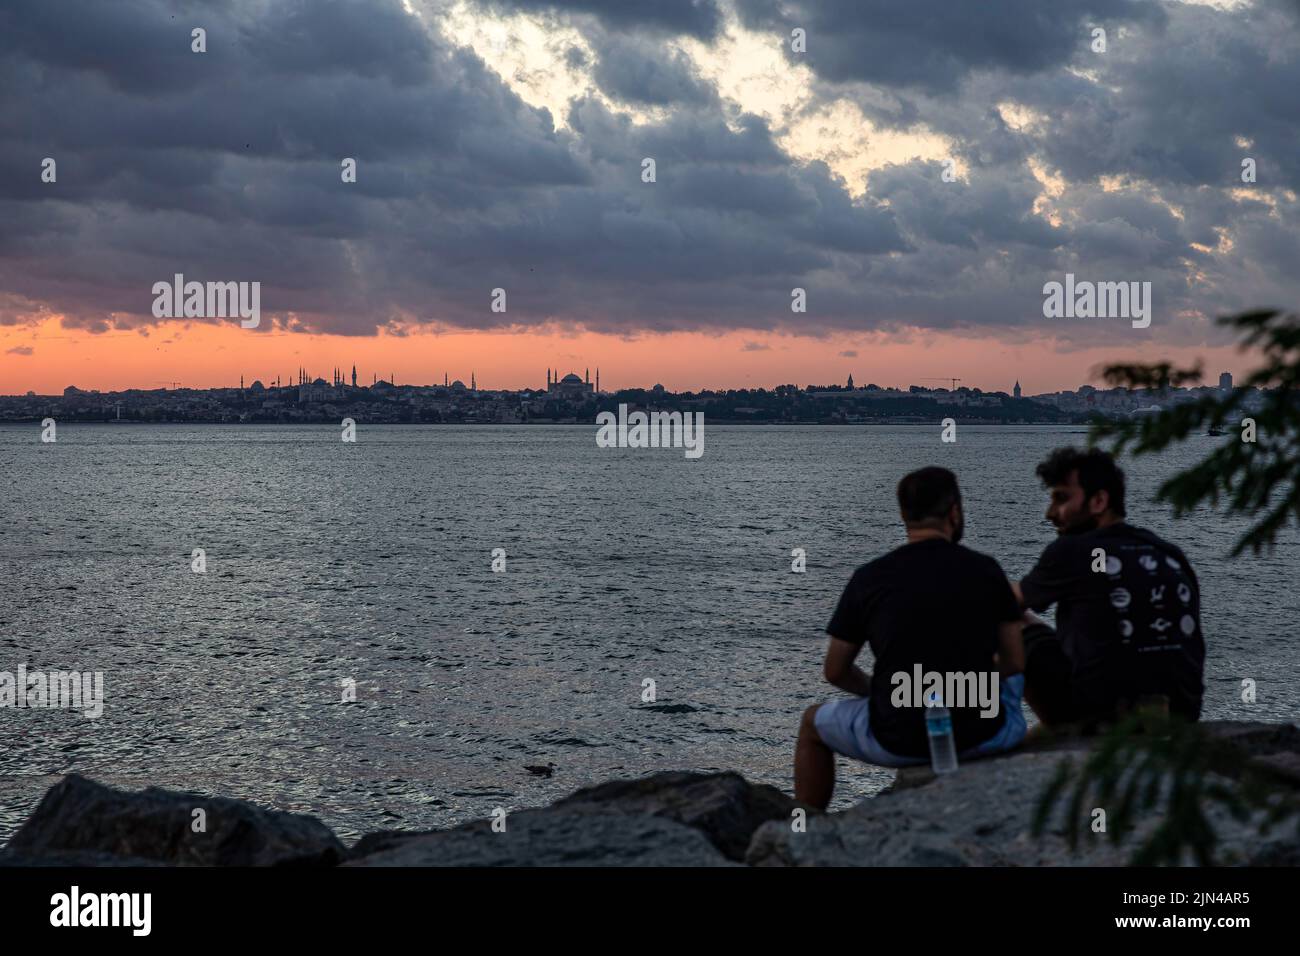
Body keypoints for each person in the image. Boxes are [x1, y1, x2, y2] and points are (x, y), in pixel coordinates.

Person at [794, 467, 1026, 810]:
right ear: (954, 512)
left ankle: (806, 827)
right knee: (1024, 641)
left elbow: (835, 671)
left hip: (898, 739)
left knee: (813, 723)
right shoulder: (986, 569)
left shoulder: (868, 578)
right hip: (981, 734)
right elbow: (1014, 662)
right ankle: (1067, 732)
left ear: (903, 514)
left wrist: (883, 691)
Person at [1012, 447, 1205, 729]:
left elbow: (1006, 602)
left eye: (1061, 499)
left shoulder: (1071, 550)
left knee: (1012, 618)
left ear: (1099, 500)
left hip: (1103, 718)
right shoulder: (1168, 552)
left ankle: (1015, 726)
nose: (1050, 513)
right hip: (1181, 713)